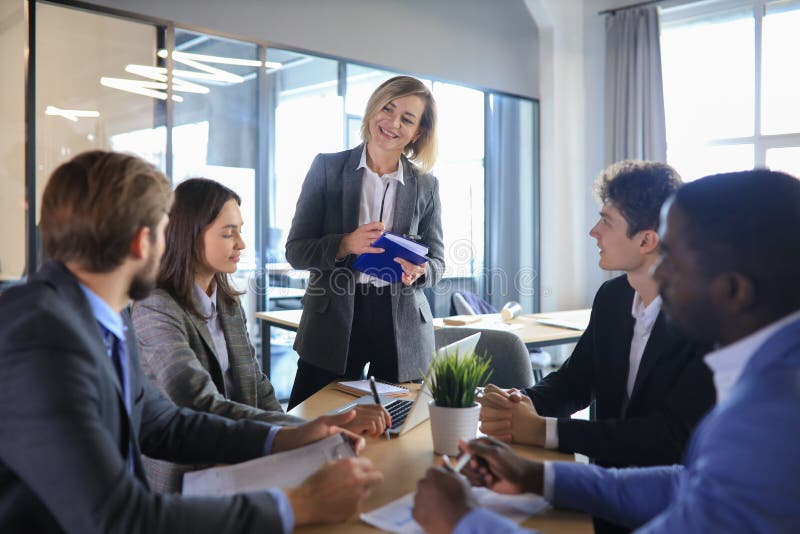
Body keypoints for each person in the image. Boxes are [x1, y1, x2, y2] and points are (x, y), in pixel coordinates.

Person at [0, 150, 383, 532]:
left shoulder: (103, 314)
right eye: (164, 230)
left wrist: (289, 436)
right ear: (141, 243)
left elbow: (163, 424)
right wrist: (299, 503)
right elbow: (117, 519)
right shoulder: (41, 338)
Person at [413, 169, 800, 533]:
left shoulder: (769, 420)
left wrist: (463, 521)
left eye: (676, 262)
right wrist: (535, 475)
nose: (660, 275)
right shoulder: (767, 376)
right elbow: (688, 485)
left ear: (734, 291)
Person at [132, 177, 391, 493]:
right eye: (229, 233)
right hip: (190, 473)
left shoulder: (226, 300)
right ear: (189, 235)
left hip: (242, 456)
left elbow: (256, 384)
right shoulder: (156, 307)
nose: (240, 243)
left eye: (240, 231)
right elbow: (198, 402)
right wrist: (302, 432)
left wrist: (305, 439)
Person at [479, 160, 715, 470]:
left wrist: (543, 430)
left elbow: (668, 437)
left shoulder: (701, 319)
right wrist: (520, 402)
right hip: (602, 484)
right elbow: (575, 382)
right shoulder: (613, 298)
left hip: (667, 500)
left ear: (646, 240)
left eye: (606, 221)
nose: (594, 231)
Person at [285, 75, 445, 408]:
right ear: (373, 109)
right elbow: (296, 251)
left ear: (417, 133)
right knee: (312, 418)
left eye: (407, 118)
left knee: (395, 427)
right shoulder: (327, 168)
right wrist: (345, 244)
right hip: (333, 317)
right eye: (388, 108)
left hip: (400, 323)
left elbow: (438, 262)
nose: (393, 122)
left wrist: (421, 272)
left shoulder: (426, 185)